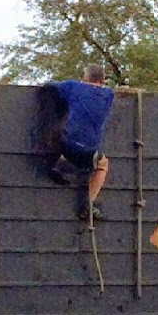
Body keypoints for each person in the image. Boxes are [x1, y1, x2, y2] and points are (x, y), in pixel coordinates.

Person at [46, 64, 115, 221]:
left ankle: (62, 163)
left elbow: (51, 86)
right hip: (87, 153)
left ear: (85, 77)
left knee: (64, 132)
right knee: (102, 164)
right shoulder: (108, 95)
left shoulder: (73, 87)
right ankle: (88, 205)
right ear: (103, 80)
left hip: (66, 144)